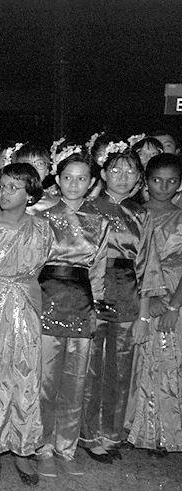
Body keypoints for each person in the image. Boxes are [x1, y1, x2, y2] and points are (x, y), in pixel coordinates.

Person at [80, 146, 165, 463]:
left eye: (130, 171)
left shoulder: (142, 215)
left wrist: (144, 314)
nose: (122, 176)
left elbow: (147, 266)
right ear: (102, 174)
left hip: (128, 295)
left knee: (120, 370)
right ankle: (87, 434)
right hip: (90, 292)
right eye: (115, 169)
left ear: (137, 178)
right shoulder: (87, 209)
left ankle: (112, 434)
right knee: (91, 368)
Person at [0, 163, 54, 487]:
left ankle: (21, 448)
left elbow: (40, 267)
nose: (4, 193)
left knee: (24, 375)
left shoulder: (41, 228)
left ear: (30, 193)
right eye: (1, 186)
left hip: (26, 308)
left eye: (12, 187)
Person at [34, 151, 110, 477]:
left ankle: (67, 445)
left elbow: (100, 270)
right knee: (45, 378)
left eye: (81, 178)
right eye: (68, 177)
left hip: (82, 301)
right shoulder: (40, 214)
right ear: (57, 178)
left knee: (75, 380)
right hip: (47, 298)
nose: (74, 183)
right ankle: (42, 445)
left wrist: (97, 309)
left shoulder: (100, 221)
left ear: (92, 182)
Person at [127, 153, 182, 454]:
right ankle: (141, 430)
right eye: (158, 180)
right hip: (141, 293)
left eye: (171, 181)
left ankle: (170, 432)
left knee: (171, 363)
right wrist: (149, 298)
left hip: (176, 294)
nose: (164, 186)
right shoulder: (134, 214)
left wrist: (173, 305)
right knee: (141, 361)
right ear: (146, 182)